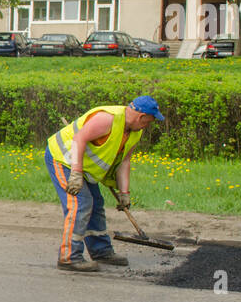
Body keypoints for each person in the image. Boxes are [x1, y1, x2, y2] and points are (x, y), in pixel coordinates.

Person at [44, 96, 163, 272]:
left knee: (96, 204)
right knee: (81, 204)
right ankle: (69, 257)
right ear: (141, 116)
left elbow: (124, 162)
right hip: (64, 159)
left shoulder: (135, 132)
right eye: (149, 121)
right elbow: (78, 140)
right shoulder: (108, 118)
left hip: (84, 166)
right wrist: (76, 174)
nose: (148, 125)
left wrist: (124, 193)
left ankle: (101, 251)